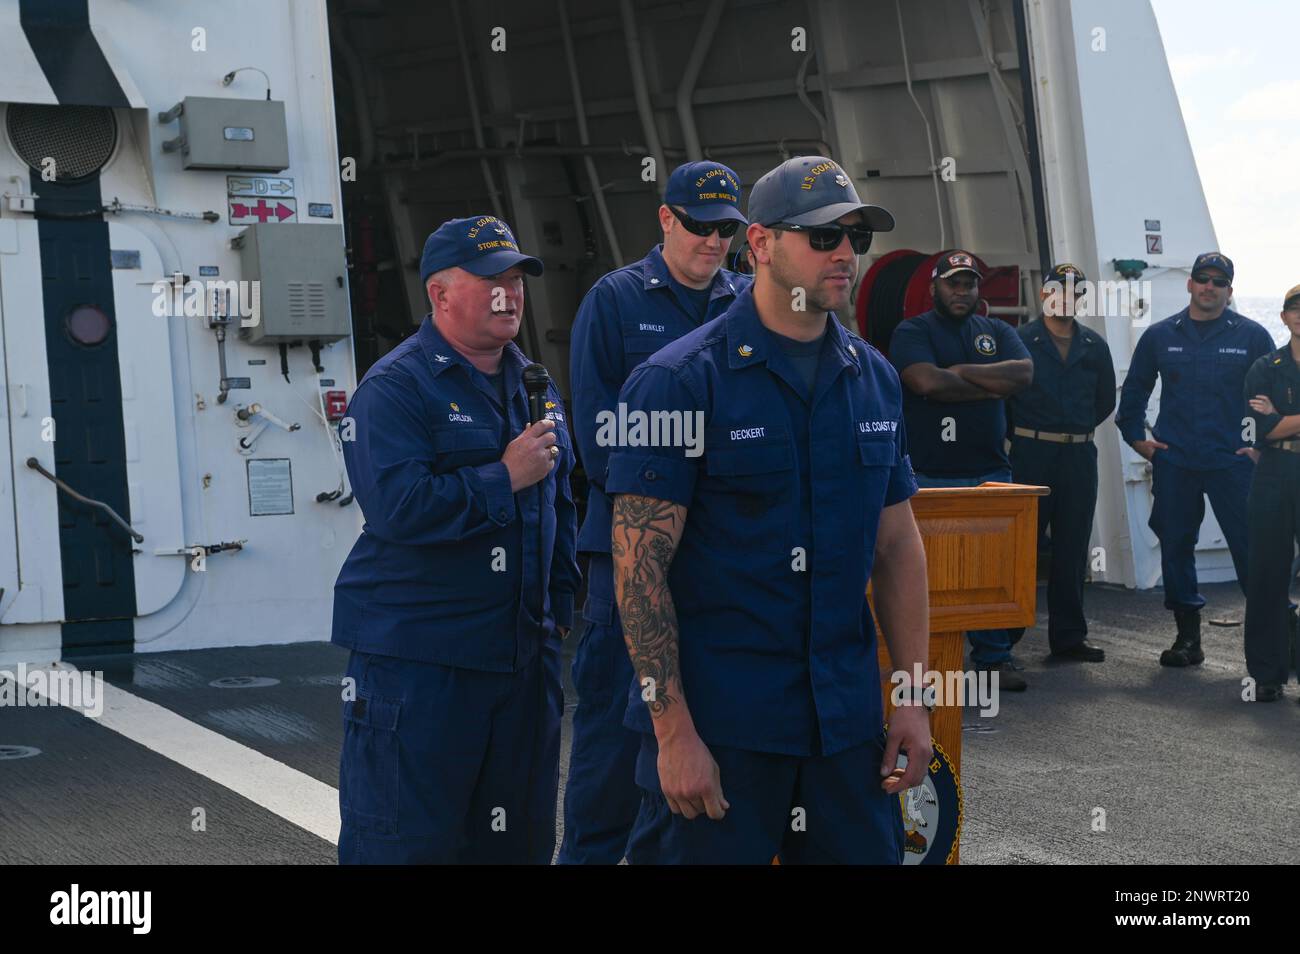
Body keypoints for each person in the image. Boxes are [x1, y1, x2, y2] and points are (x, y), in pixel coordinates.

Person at [605, 155, 931, 864]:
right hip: (722, 733)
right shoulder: (676, 383)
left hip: (844, 731)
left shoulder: (872, 379)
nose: (842, 253)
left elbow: (898, 546)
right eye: (821, 237)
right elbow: (638, 571)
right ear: (759, 245)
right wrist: (672, 734)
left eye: (854, 236)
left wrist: (911, 698)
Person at [332, 215, 580, 863]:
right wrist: (504, 476)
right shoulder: (394, 390)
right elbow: (397, 509)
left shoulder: (535, 385)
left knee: (518, 846)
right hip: (422, 669)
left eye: (517, 278)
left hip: (522, 668)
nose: (511, 293)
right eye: (491, 278)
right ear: (440, 296)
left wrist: (560, 610)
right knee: (406, 846)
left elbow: (564, 500)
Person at [562, 162, 750, 864]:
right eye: (699, 226)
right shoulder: (613, 302)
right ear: (665, 219)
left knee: (704, 727)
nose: (713, 242)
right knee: (615, 738)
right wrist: (696, 466)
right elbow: (598, 435)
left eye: (727, 229)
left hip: (716, 556)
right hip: (629, 551)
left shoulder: (748, 301)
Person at [1115, 252, 1273, 667]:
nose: (1209, 287)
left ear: (1230, 290)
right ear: (1189, 284)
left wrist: (1259, 445)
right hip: (1177, 461)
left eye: (1219, 282)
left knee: (1252, 547)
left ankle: (1275, 640)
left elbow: (1274, 397)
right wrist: (1138, 441)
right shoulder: (1159, 335)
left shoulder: (1252, 336)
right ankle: (1188, 640)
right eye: (1202, 278)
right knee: (1176, 545)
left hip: (1233, 462)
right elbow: (1133, 395)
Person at [888, 250, 1033, 689]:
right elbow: (925, 382)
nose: (961, 291)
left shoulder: (998, 330)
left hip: (991, 469)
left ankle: (995, 658)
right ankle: (928, 663)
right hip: (932, 474)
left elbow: (1024, 374)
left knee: (990, 572)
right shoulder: (913, 330)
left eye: (969, 283)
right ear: (935, 286)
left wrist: (962, 372)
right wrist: (990, 385)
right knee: (929, 574)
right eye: (953, 283)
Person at [1006, 263, 1116, 661]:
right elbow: (1004, 399)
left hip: (1079, 455)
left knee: (1072, 545)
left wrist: (1075, 428)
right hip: (1031, 454)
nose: (1065, 298)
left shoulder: (1094, 346)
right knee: (1023, 546)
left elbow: (1106, 401)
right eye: (1058, 290)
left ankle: (1069, 637)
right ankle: (1005, 639)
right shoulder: (1019, 341)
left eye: (1074, 292)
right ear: (1044, 294)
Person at [1242, 283, 1300, 702]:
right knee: (1267, 574)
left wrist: (1284, 416)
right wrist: (1277, 421)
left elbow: (1279, 421)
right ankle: (1267, 673)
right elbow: (1263, 430)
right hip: (1276, 469)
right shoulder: (1266, 366)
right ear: (1283, 317)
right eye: (1294, 309)